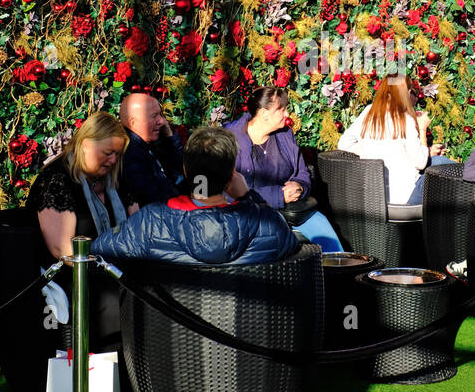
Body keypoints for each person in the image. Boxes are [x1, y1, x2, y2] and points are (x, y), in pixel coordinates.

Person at [92, 126, 299, 267]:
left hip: (166, 330)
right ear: (232, 175)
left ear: (185, 170)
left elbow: (96, 252)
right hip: (247, 330)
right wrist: (248, 197)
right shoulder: (268, 223)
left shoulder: (149, 222)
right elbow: (292, 244)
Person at [26, 111, 139, 343]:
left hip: (112, 267)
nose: (113, 160)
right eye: (108, 153)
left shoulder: (115, 178)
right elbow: (64, 252)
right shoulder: (57, 180)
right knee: (117, 299)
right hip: (73, 276)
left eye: (117, 154)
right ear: (85, 145)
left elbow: (137, 226)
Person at [226, 86, 343, 251]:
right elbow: (228, 191)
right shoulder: (231, 139)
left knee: (330, 242)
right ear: (265, 113)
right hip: (248, 215)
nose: (287, 114)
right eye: (281, 109)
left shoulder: (285, 135)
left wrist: (299, 187)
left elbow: (302, 172)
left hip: (291, 213)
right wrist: (278, 196)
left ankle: (338, 275)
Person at [337, 74, 454, 204]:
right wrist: (422, 128)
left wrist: (372, 152)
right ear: (406, 92)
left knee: (438, 161)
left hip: (375, 200)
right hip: (404, 198)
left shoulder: (369, 111)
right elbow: (420, 162)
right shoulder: (405, 119)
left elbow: (344, 143)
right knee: (448, 168)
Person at [119, 91, 184, 206]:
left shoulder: (148, 144)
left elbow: (181, 169)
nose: (162, 121)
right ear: (133, 123)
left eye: (160, 115)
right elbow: (156, 200)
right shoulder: (132, 156)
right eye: (154, 116)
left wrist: (169, 137)